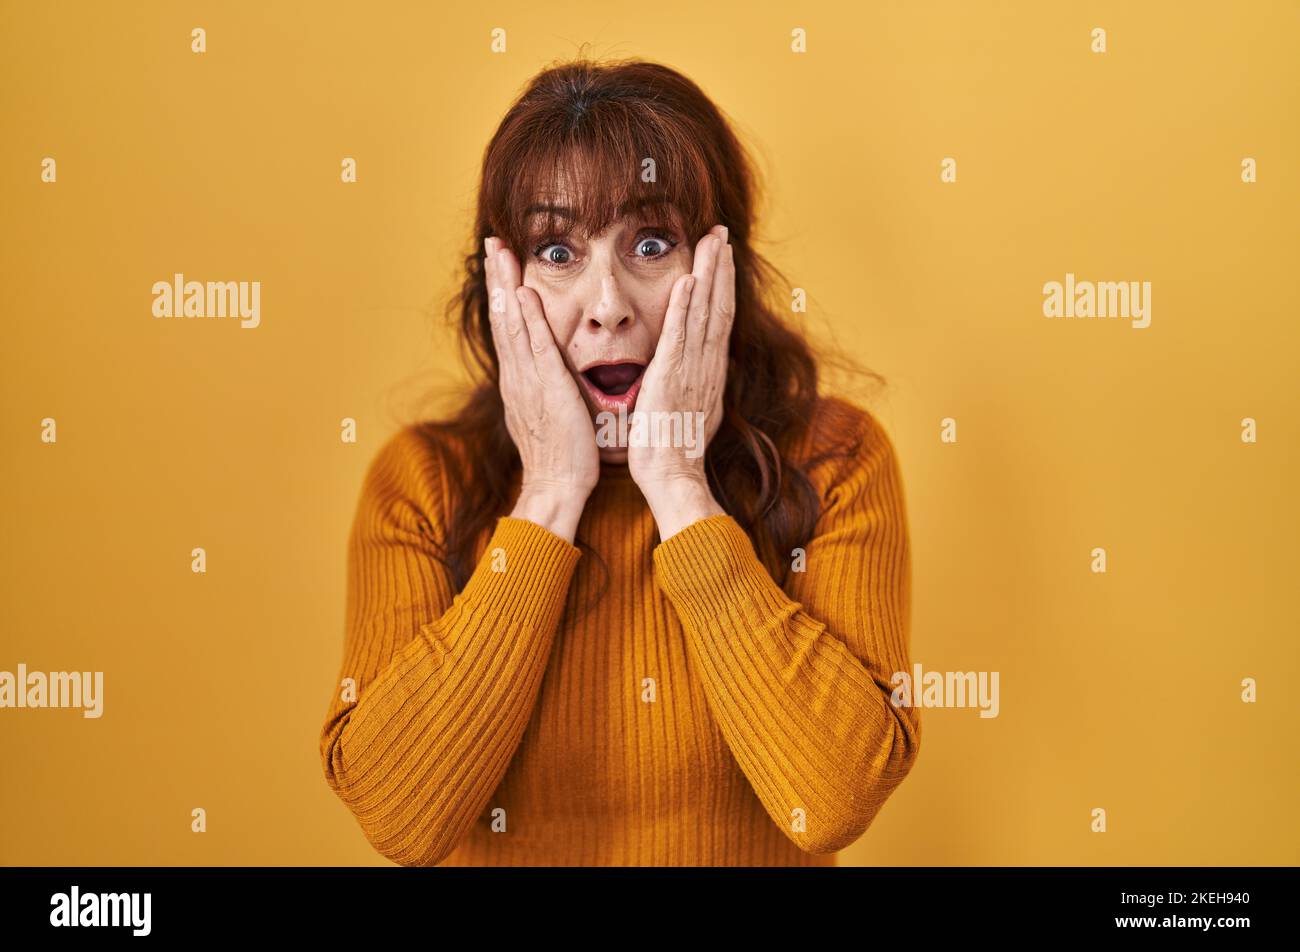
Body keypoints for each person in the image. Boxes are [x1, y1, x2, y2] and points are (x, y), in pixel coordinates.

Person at [319, 56, 921, 866]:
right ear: (503, 283)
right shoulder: (424, 483)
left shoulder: (837, 461)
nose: (607, 308)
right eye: (558, 251)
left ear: (719, 272)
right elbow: (402, 819)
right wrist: (549, 494)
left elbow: (834, 799)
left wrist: (678, 485)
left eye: (649, 242)